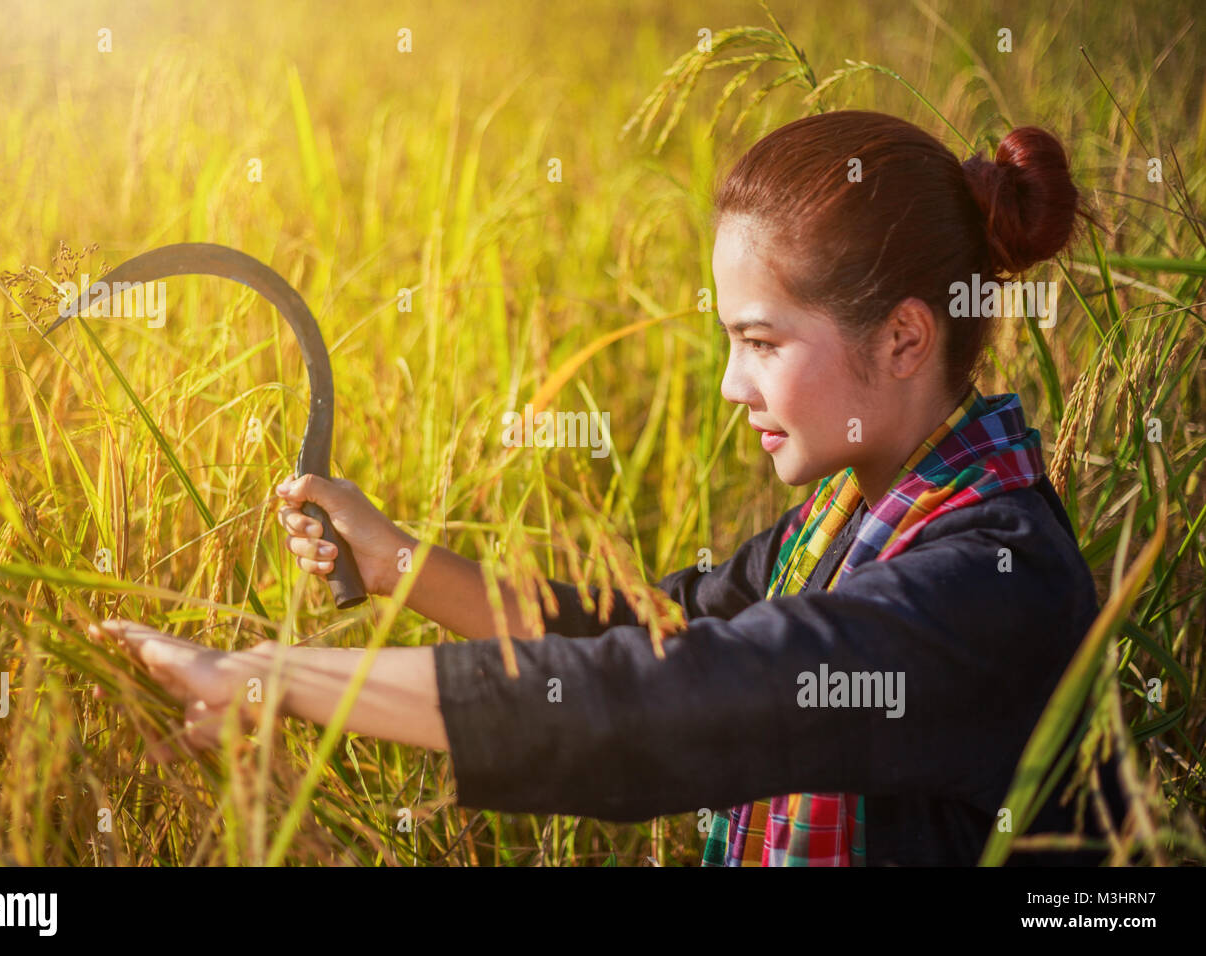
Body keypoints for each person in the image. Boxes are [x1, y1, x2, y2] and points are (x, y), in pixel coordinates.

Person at [96, 110, 1126, 866]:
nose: (732, 385)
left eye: (760, 342)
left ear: (904, 336)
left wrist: (278, 677)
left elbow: (678, 697)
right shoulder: (847, 519)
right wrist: (392, 559)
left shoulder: (992, 583)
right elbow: (631, 633)